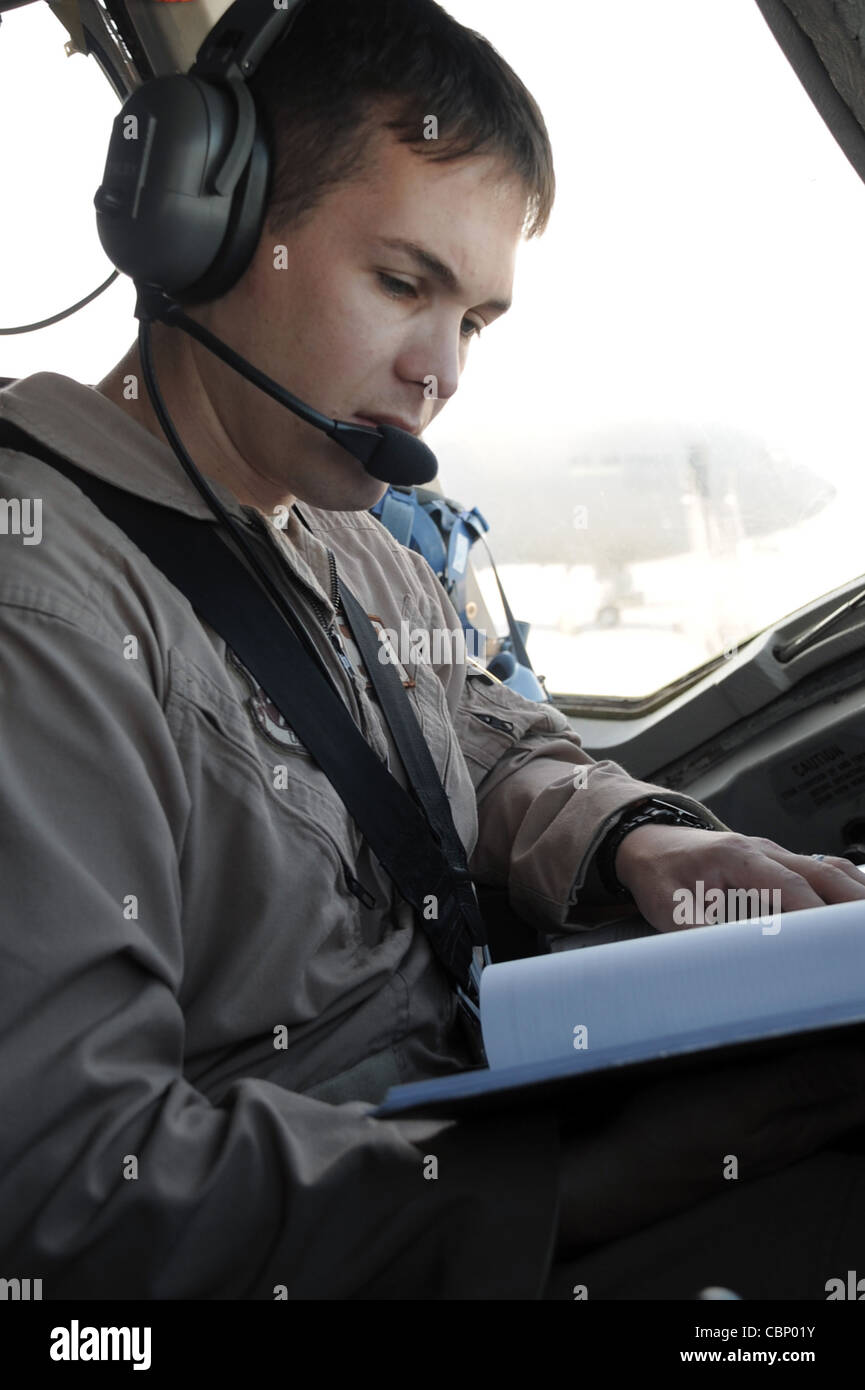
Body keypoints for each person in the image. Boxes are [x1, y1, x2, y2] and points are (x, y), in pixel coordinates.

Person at [1, 0, 864, 1301]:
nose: (440, 370)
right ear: (209, 225)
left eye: (476, 319)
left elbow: (464, 729)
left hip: (463, 1121)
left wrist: (643, 837)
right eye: (404, 285)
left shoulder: (347, 532)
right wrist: (582, 1183)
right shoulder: (43, 602)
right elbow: (77, 1183)